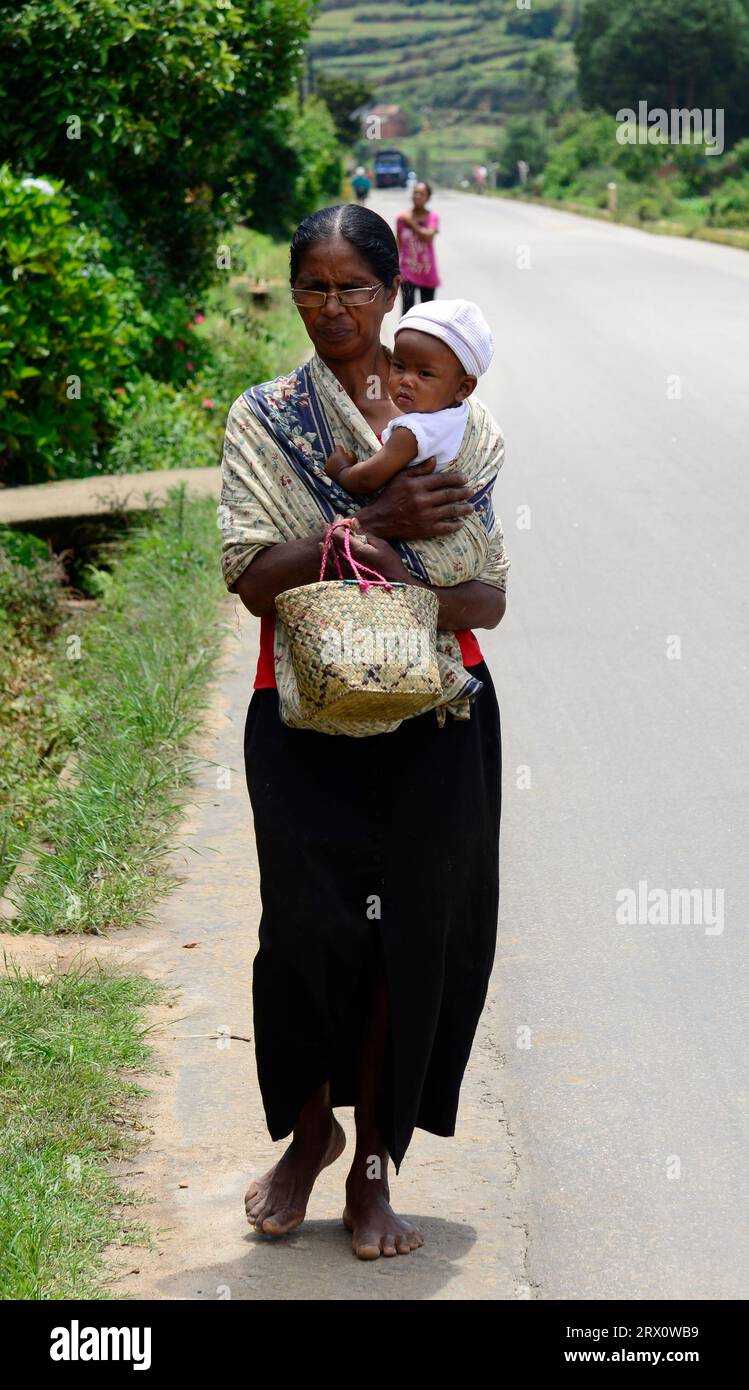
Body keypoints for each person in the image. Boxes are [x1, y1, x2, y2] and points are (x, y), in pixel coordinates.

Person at [219, 202, 510, 1261]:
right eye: (312, 286)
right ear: (291, 291)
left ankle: (373, 1169)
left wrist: (392, 575)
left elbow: (485, 596)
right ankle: (306, 1134)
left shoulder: (452, 418)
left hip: (435, 713)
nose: (332, 307)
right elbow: (253, 579)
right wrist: (370, 530)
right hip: (298, 709)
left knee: (409, 944)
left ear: (394, 293)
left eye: (354, 287)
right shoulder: (266, 417)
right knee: (304, 936)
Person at [325, 299, 493, 495]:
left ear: (464, 387)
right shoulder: (462, 414)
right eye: (398, 366)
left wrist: (341, 471)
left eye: (424, 374)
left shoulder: (412, 432)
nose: (406, 381)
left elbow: (367, 479)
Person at [395, 181, 440, 316]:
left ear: (428, 197)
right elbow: (398, 243)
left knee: (428, 312)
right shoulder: (401, 218)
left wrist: (412, 222)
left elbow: (428, 235)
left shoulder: (432, 217)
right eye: (415, 193)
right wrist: (394, 267)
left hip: (427, 270)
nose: (417, 196)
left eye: (421, 194)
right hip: (407, 271)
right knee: (407, 311)